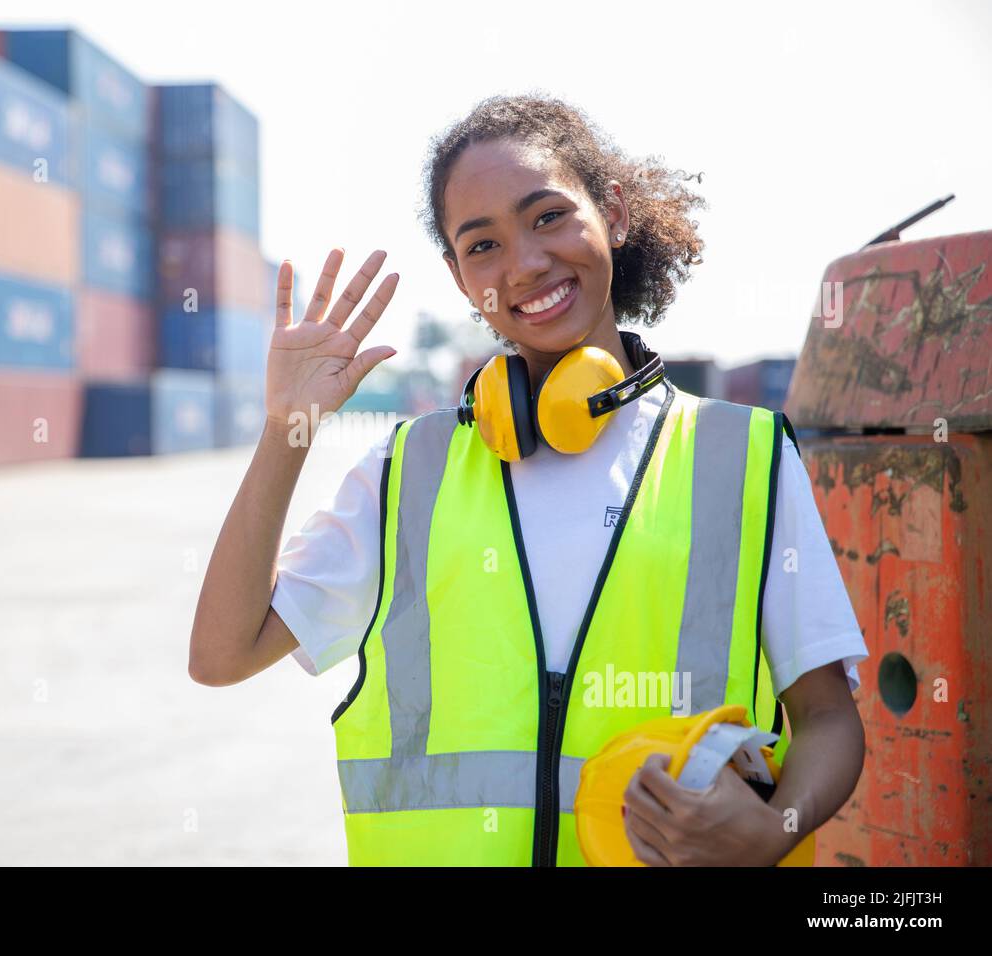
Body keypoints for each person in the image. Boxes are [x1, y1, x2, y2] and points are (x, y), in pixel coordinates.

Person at [189, 93, 867, 867]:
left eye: (547, 216)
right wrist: (286, 430)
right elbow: (221, 653)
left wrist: (772, 831)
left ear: (609, 212)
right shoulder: (411, 469)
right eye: (482, 245)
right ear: (457, 275)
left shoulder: (742, 456)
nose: (525, 264)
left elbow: (828, 720)